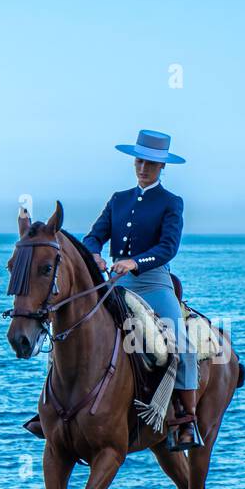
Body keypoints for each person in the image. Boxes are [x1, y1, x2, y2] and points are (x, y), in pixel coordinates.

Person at [83, 129, 201, 450]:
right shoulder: (118, 200)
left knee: (182, 346)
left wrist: (135, 262)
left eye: (150, 163)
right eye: (139, 161)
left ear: (162, 167)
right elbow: (94, 236)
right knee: (75, 328)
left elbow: (168, 247)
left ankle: (185, 420)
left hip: (153, 283)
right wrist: (93, 253)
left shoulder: (171, 202)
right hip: (116, 284)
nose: (143, 168)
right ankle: (57, 408)